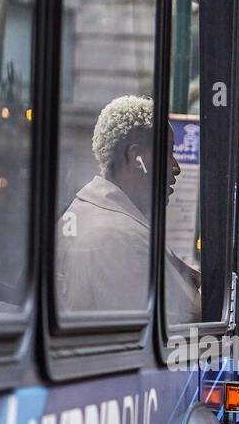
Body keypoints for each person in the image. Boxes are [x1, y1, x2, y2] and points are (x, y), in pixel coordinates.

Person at [54, 95, 199, 321]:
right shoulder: (117, 236)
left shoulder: (86, 213)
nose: (176, 167)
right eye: (168, 152)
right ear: (136, 157)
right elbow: (177, 328)